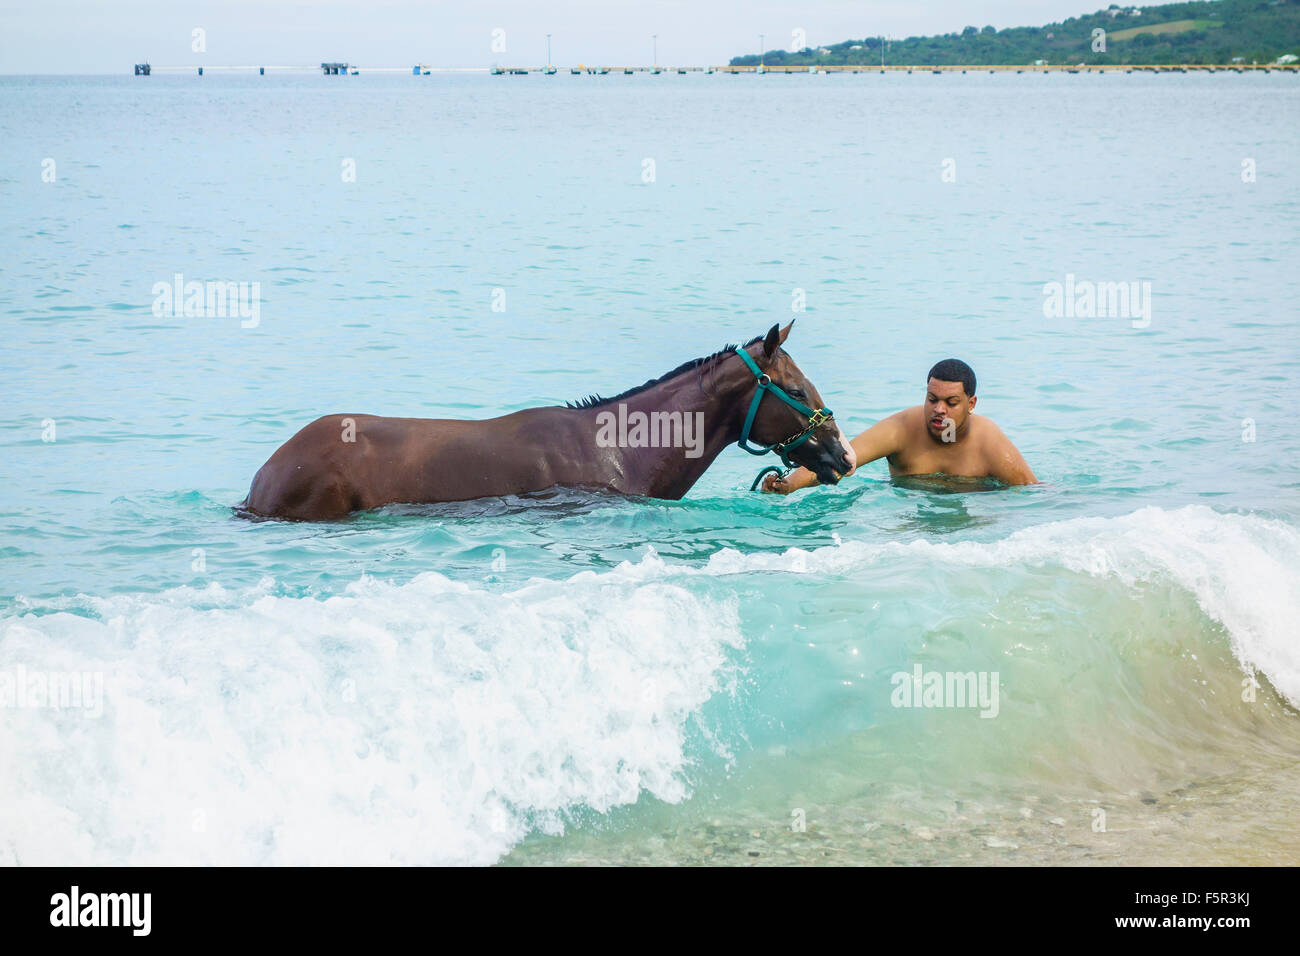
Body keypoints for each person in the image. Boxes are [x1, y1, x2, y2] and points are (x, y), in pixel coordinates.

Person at [762, 358, 1036, 493]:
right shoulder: (902, 430)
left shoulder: (989, 441)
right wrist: (788, 485)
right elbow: (842, 460)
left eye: (951, 402)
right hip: (909, 531)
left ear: (971, 403)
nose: (939, 409)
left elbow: (1031, 494)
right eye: (932, 399)